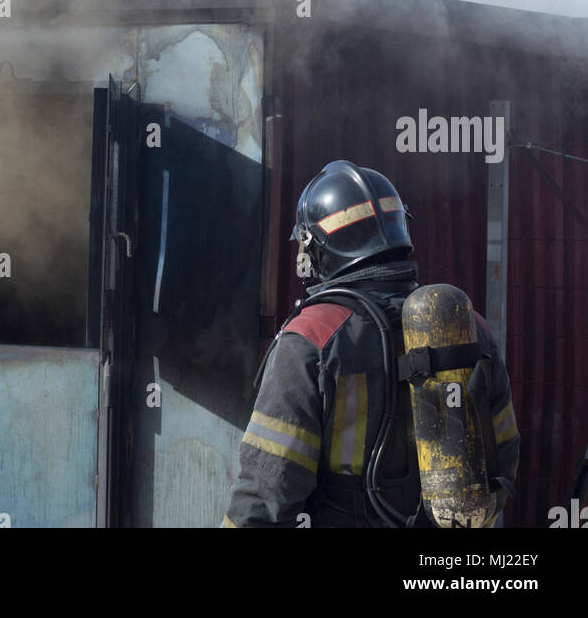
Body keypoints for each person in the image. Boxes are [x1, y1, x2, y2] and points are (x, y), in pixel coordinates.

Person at [222, 160, 519, 528]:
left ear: (315, 247)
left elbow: (268, 489)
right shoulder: (467, 326)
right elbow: (503, 453)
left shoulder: (313, 337)